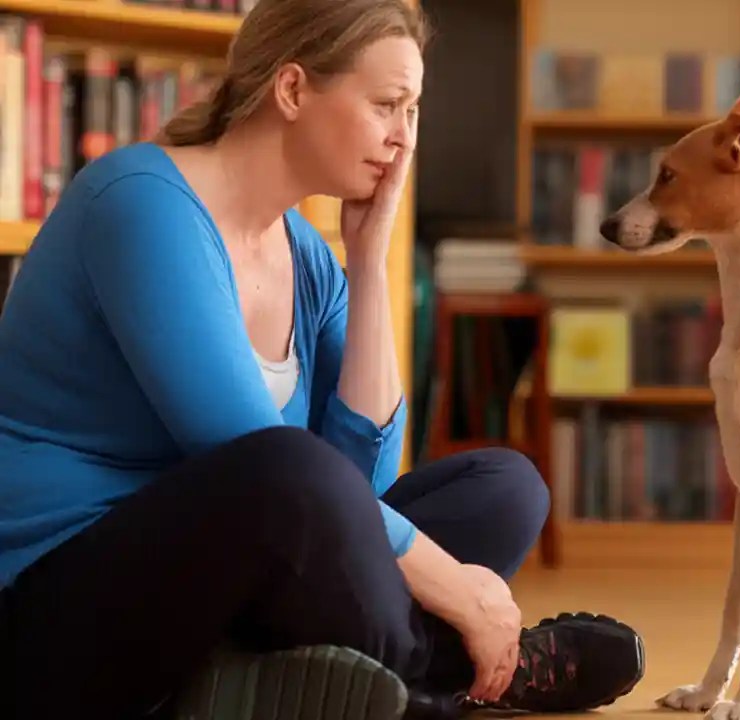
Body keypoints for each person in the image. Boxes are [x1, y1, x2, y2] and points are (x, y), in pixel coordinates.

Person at [0, 1, 644, 718]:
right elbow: (264, 465)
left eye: (413, 111)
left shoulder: (306, 256)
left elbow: (361, 481)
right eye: (387, 106)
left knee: (505, 487)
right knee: (285, 468)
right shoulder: (141, 206)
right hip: (57, 611)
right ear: (294, 90)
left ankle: (268, 683)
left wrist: (368, 264)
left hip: (225, 590)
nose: (404, 140)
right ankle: (448, 679)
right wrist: (462, 596)